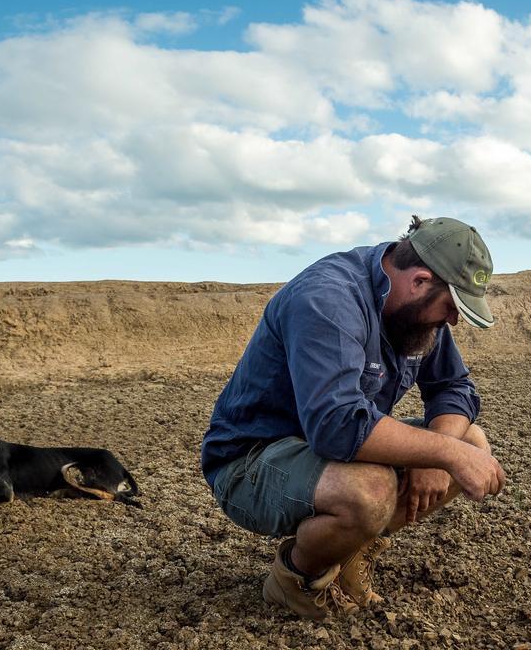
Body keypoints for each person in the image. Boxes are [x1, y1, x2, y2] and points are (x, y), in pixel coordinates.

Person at [200, 215, 506, 618]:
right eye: (451, 306)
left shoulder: (415, 312)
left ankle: (347, 554)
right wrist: (442, 454)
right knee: (372, 489)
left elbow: (454, 387)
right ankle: (293, 581)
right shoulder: (328, 299)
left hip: (327, 452)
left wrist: (444, 448)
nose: (452, 320)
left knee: (471, 441)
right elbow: (337, 425)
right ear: (419, 280)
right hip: (251, 461)